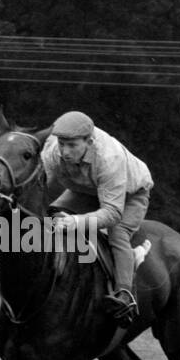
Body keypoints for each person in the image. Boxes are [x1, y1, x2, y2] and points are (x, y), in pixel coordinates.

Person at [40, 110, 152, 322]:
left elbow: (111, 213)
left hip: (129, 195)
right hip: (85, 190)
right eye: (62, 143)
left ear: (89, 141)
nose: (64, 151)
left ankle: (125, 294)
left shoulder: (110, 158)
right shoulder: (53, 147)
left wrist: (76, 222)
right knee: (51, 218)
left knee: (117, 233)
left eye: (72, 145)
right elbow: (39, 184)